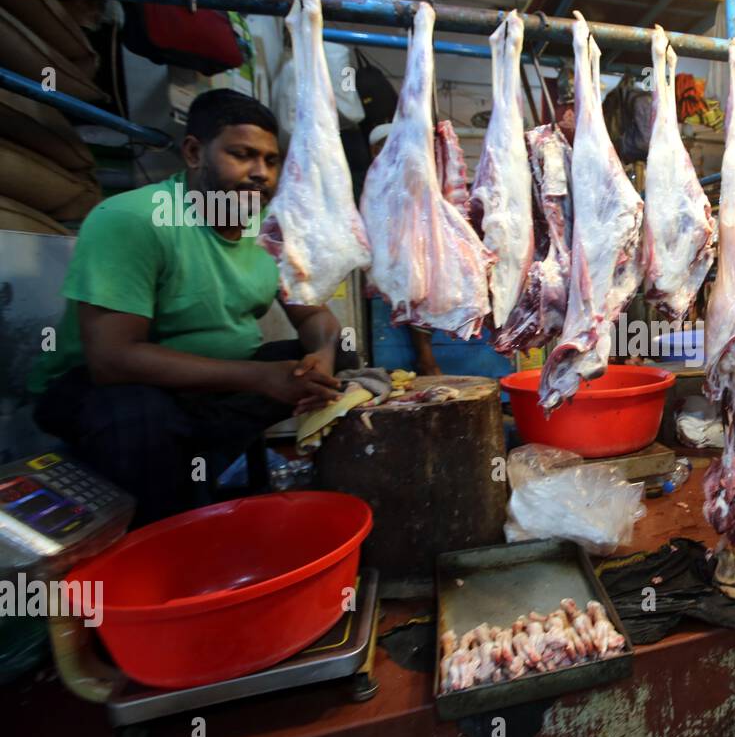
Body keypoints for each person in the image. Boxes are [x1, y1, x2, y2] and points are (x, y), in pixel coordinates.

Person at [27, 89, 355, 527]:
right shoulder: (132, 220)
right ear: (195, 152)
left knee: (343, 364)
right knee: (139, 416)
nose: (260, 174)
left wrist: (321, 359)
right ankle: (163, 547)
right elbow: (112, 359)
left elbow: (314, 315)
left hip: (215, 383)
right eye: (242, 155)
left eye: (271, 161)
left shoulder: (270, 230)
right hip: (110, 389)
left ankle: (231, 477)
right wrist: (260, 378)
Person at [367, 121, 440, 376]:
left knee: (417, 291)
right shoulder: (375, 180)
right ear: (374, 150)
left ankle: (426, 359)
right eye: (383, 146)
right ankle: (426, 360)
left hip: (412, 259)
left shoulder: (411, 178)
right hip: (386, 264)